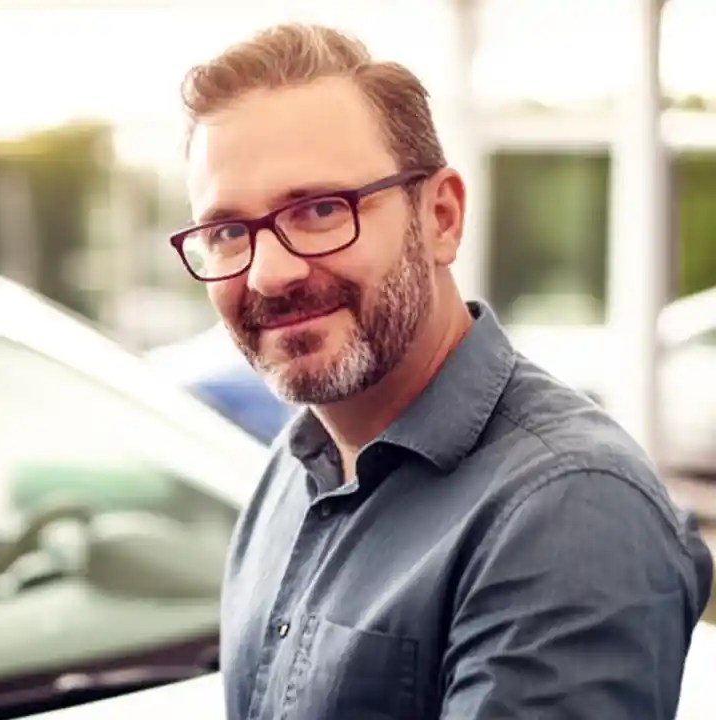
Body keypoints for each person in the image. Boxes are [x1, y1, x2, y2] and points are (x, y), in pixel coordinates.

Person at [169, 22, 714, 719]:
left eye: (319, 210)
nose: (270, 275)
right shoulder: (295, 466)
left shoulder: (568, 511)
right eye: (227, 232)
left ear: (442, 217)